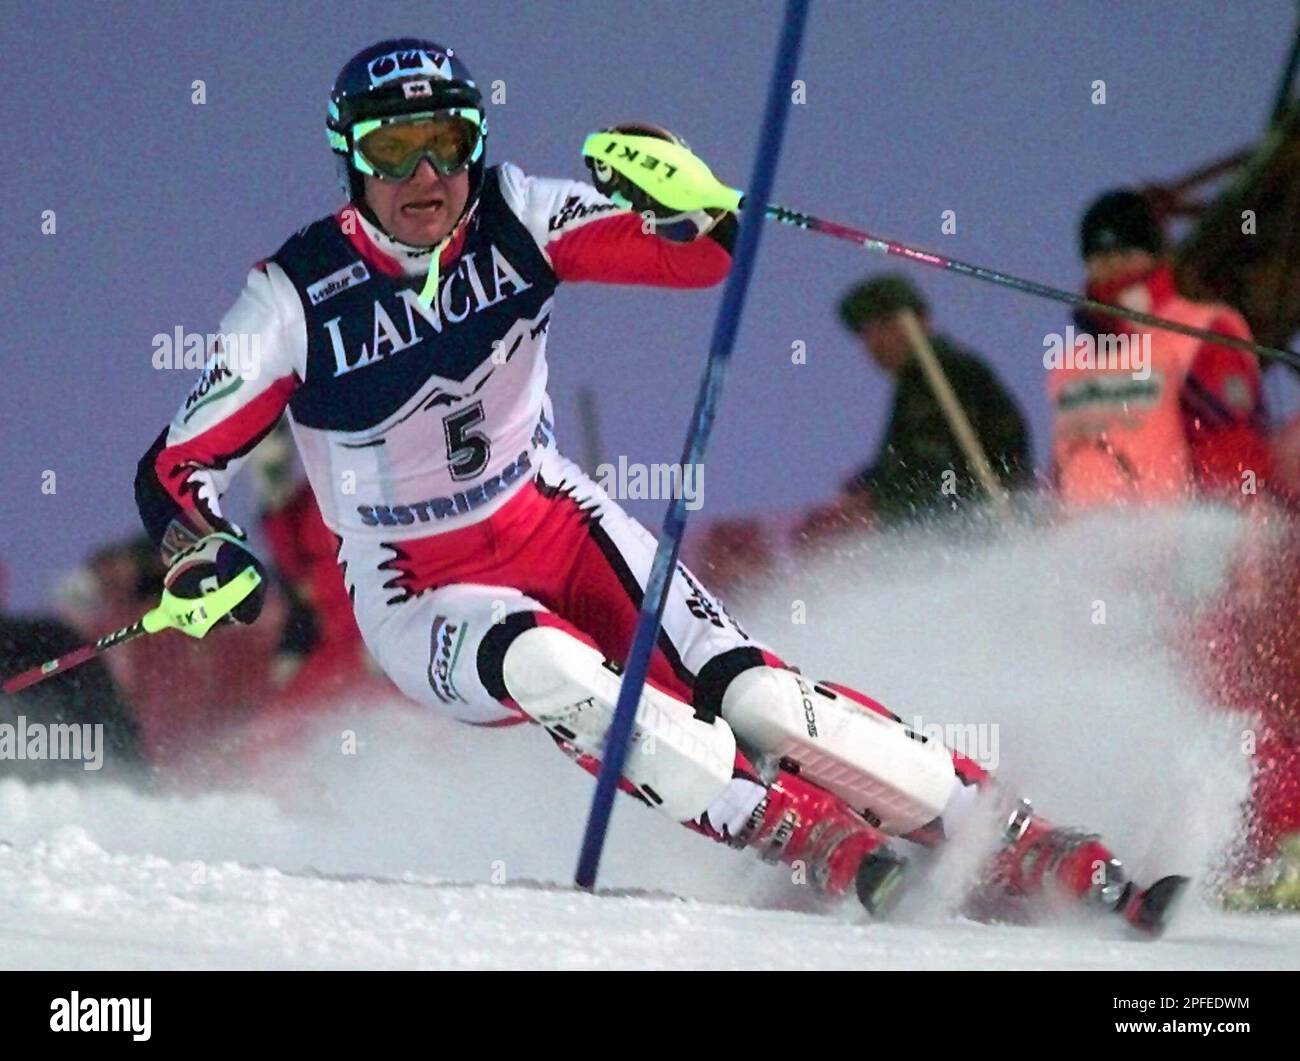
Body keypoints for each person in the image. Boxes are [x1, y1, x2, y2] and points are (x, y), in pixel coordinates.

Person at [132, 38, 1177, 924]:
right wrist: (201, 550)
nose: (422, 175)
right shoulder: (292, 298)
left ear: (473, 146)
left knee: (753, 691)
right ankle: (784, 825)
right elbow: (176, 467)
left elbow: (696, 258)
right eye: (390, 149)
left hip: (547, 515)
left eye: (444, 143)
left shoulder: (516, 212)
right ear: (348, 161)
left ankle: (1014, 836)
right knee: (542, 662)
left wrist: (686, 197)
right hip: (414, 583)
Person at [1049, 189, 1275, 507]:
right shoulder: (1072, 363)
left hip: (1176, 536)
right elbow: (1063, 465)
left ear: (1155, 256)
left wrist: (1219, 531)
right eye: (1099, 256)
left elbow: (1232, 441)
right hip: (1087, 545)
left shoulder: (1200, 330)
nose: (1112, 267)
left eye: (1125, 253)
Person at [802, 274, 1031, 539]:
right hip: (960, 534)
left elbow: (936, 464)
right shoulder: (915, 385)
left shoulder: (946, 374)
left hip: (977, 535)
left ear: (920, 321)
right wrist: (873, 481)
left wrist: (878, 494)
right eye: (865, 332)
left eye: (885, 324)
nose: (875, 342)